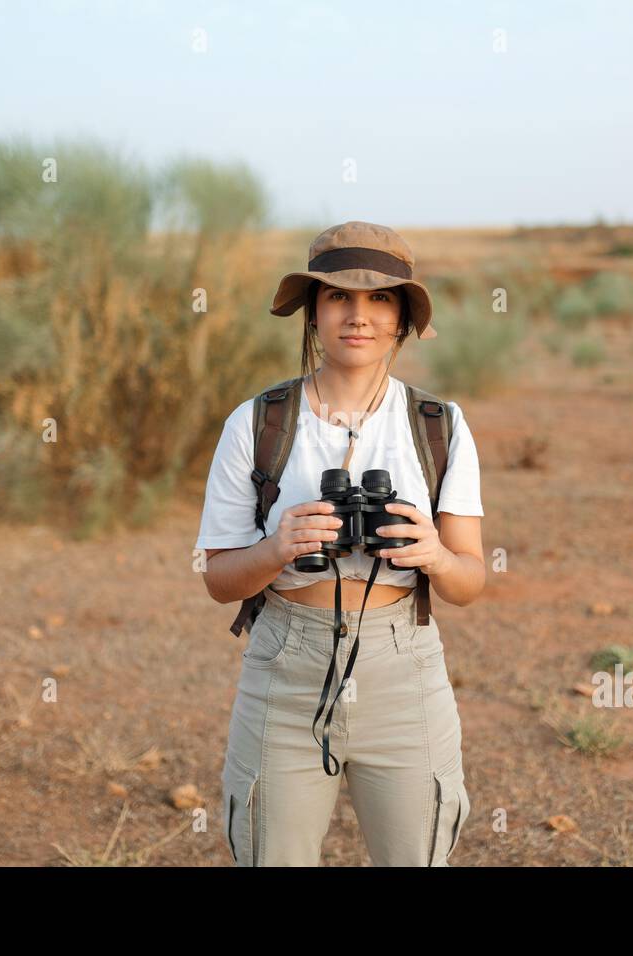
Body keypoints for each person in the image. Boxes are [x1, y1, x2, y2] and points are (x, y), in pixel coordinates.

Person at [194, 221, 485, 866]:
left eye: (381, 299)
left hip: (403, 664)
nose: (359, 316)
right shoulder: (258, 421)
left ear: (404, 319)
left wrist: (432, 554)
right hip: (284, 664)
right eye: (338, 297)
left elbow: (469, 583)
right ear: (312, 313)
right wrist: (277, 548)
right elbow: (217, 580)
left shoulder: (439, 425)